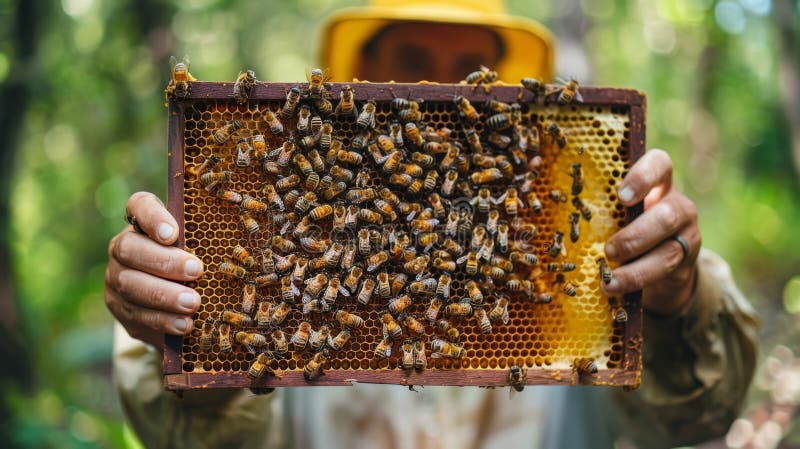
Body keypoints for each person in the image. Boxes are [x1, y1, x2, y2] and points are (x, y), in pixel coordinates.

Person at [106, 1, 759, 448]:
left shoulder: (570, 231)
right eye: (412, 58)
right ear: (355, 82)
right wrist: (181, 329)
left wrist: (677, 300)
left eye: (466, 68)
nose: (436, 93)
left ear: (505, 91)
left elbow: (697, 413)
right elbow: (190, 436)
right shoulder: (276, 238)